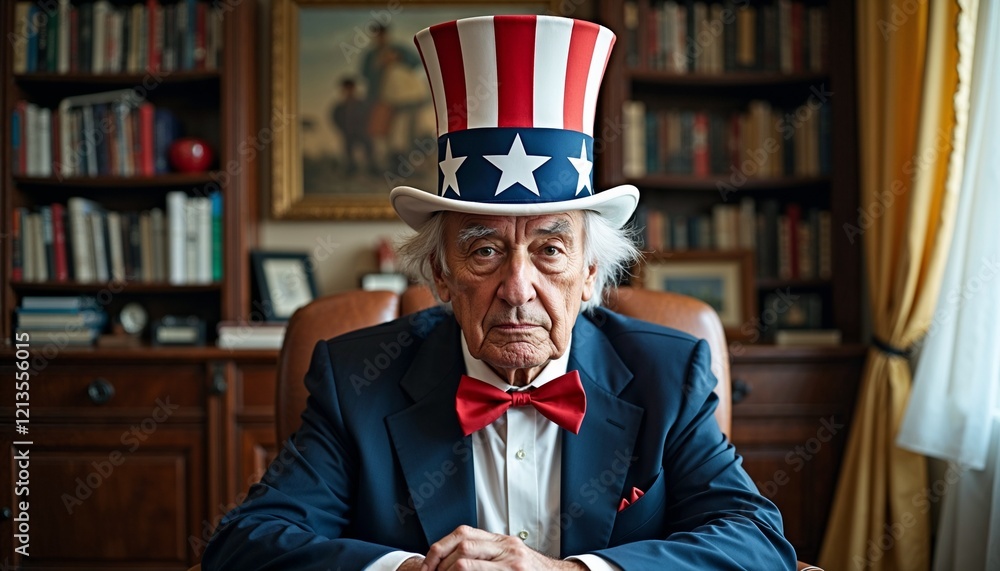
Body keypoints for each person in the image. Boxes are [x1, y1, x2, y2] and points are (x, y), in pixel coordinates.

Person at [203, 15, 796, 571]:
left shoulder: (668, 371)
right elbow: (245, 542)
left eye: (550, 250)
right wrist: (412, 569)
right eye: (484, 251)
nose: (518, 289)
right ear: (440, 274)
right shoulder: (356, 377)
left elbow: (755, 538)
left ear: (590, 273)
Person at [330, 77, 376, 176]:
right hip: (348, 133)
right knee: (348, 152)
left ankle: (372, 170)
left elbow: (370, 116)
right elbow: (335, 118)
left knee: (369, 149)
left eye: (350, 89)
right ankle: (351, 170)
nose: (348, 91)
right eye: (346, 89)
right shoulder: (340, 107)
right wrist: (343, 129)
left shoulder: (362, 104)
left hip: (363, 132)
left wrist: (366, 128)